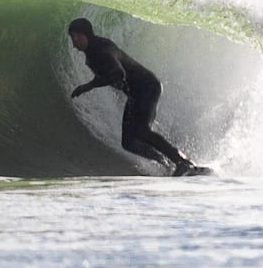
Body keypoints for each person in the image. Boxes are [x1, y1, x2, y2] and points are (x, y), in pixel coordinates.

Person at [66, 17, 205, 176]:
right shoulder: (93, 50)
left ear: (83, 35)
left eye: (74, 37)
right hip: (136, 93)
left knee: (141, 130)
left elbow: (118, 73)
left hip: (147, 87)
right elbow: (112, 75)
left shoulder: (101, 50)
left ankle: (184, 162)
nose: (73, 43)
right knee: (129, 143)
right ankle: (167, 163)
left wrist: (88, 86)